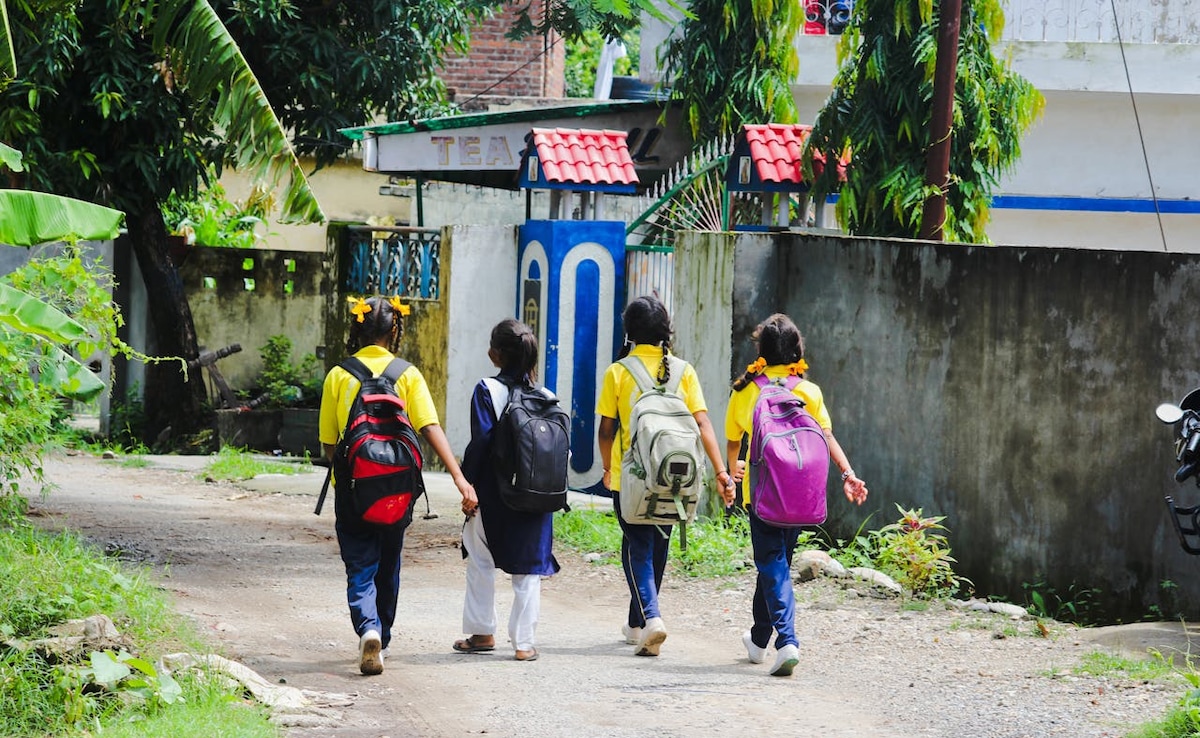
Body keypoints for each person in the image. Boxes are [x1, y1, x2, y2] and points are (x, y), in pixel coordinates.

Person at [319, 296, 478, 676]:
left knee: (360, 564)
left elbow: (328, 443)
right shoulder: (408, 374)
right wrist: (459, 478)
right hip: (398, 490)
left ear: (356, 328)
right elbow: (429, 428)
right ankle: (382, 639)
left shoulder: (339, 375)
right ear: (395, 330)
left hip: (353, 489)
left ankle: (367, 628)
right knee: (388, 564)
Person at [725, 313, 868, 677]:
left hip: (763, 495)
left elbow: (733, 440)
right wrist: (848, 475)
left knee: (772, 564)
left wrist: (731, 470)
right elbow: (828, 436)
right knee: (774, 565)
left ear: (761, 351)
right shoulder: (809, 390)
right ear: (796, 351)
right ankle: (758, 641)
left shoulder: (747, 391)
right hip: (802, 494)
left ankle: (787, 640)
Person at [596, 296, 735, 657]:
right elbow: (702, 423)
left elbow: (606, 430)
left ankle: (652, 618)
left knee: (637, 546)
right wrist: (721, 472)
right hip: (675, 478)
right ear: (665, 331)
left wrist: (608, 468)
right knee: (657, 545)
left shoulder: (618, 372)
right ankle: (636, 624)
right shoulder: (684, 371)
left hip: (632, 478)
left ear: (629, 331)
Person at [453, 319, 560, 662]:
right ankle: (524, 644)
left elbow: (482, 441)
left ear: (495, 355)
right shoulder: (547, 397)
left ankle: (482, 632)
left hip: (496, 494)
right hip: (538, 495)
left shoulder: (487, 390)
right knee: (529, 568)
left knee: (480, 558)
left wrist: (468, 484)